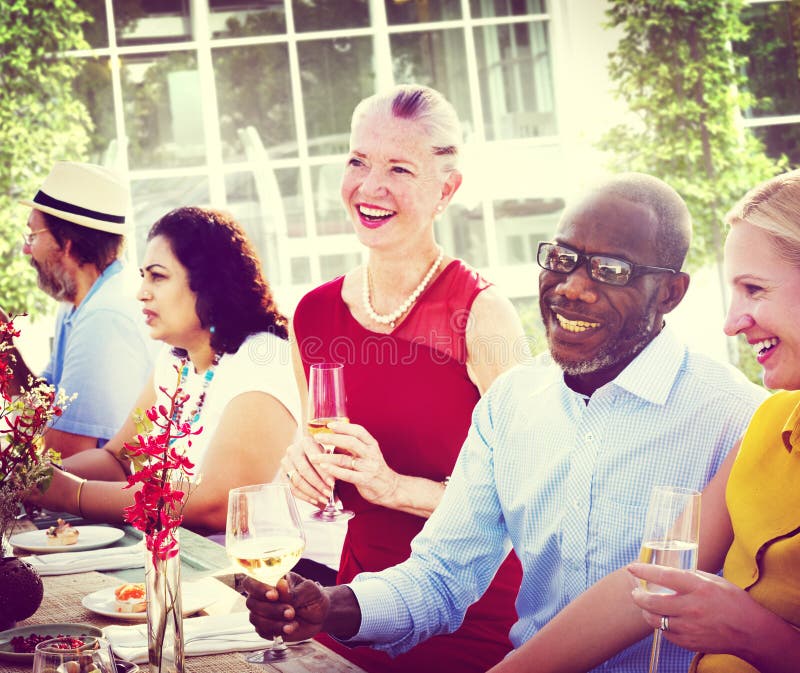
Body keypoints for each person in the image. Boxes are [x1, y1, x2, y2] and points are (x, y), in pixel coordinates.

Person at [243, 172, 769, 673]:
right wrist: (330, 605)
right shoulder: (511, 403)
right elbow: (441, 575)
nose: (572, 287)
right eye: (562, 259)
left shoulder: (736, 419)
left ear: (672, 294)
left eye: (610, 271)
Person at [486, 169, 800, 673]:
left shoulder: (732, 409)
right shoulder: (770, 425)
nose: (731, 321)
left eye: (755, 289)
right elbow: (650, 580)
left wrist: (753, 632)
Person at [276, 84, 530, 673]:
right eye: (358, 162)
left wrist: (391, 486)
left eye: (399, 168)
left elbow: (527, 502)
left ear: (447, 188)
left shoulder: (480, 313)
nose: (370, 187)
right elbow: (320, 440)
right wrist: (302, 461)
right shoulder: (312, 314)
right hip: (350, 607)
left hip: (473, 616)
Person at [26, 207, 300, 535]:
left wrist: (74, 495)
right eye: (143, 276)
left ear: (208, 283)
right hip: (196, 564)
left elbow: (216, 504)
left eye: (157, 276)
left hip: (285, 575)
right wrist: (34, 477)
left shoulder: (262, 359)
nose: (142, 292)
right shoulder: (175, 361)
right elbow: (118, 461)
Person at [0, 161, 156, 458]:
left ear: (67, 244)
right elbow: (45, 405)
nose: (25, 249)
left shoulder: (105, 316)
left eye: (32, 235)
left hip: (107, 499)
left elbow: (61, 455)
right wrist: (4, 352)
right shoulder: (79, 303)